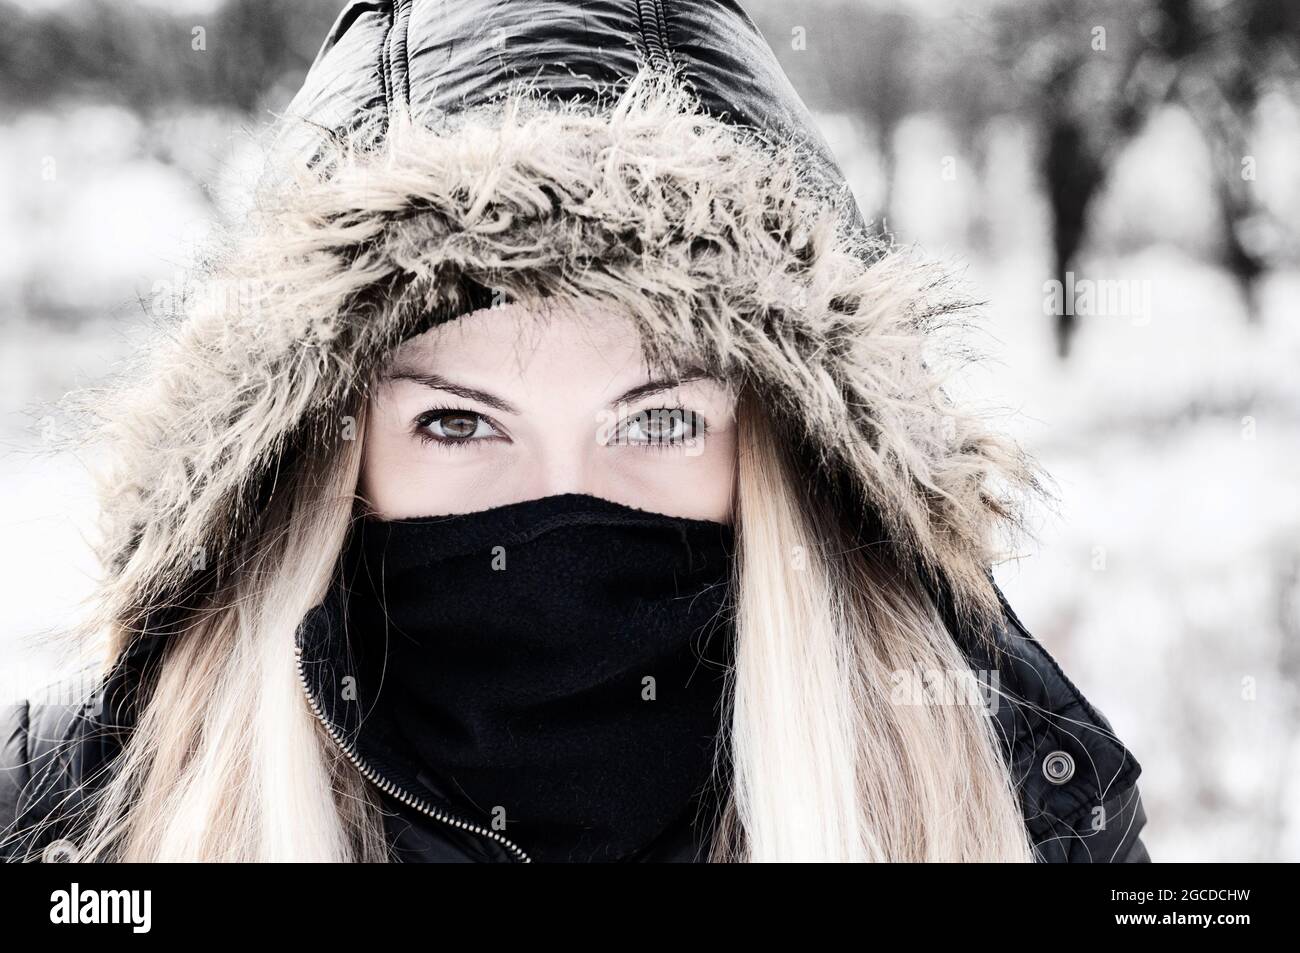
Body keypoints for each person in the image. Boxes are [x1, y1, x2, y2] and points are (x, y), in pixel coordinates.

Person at [0, 0, 1149, 863]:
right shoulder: (79, 833)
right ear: (319, 462)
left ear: (796, 455)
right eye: (454, 421)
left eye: (657, 417)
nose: (557, 501)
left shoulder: (1015, 820)